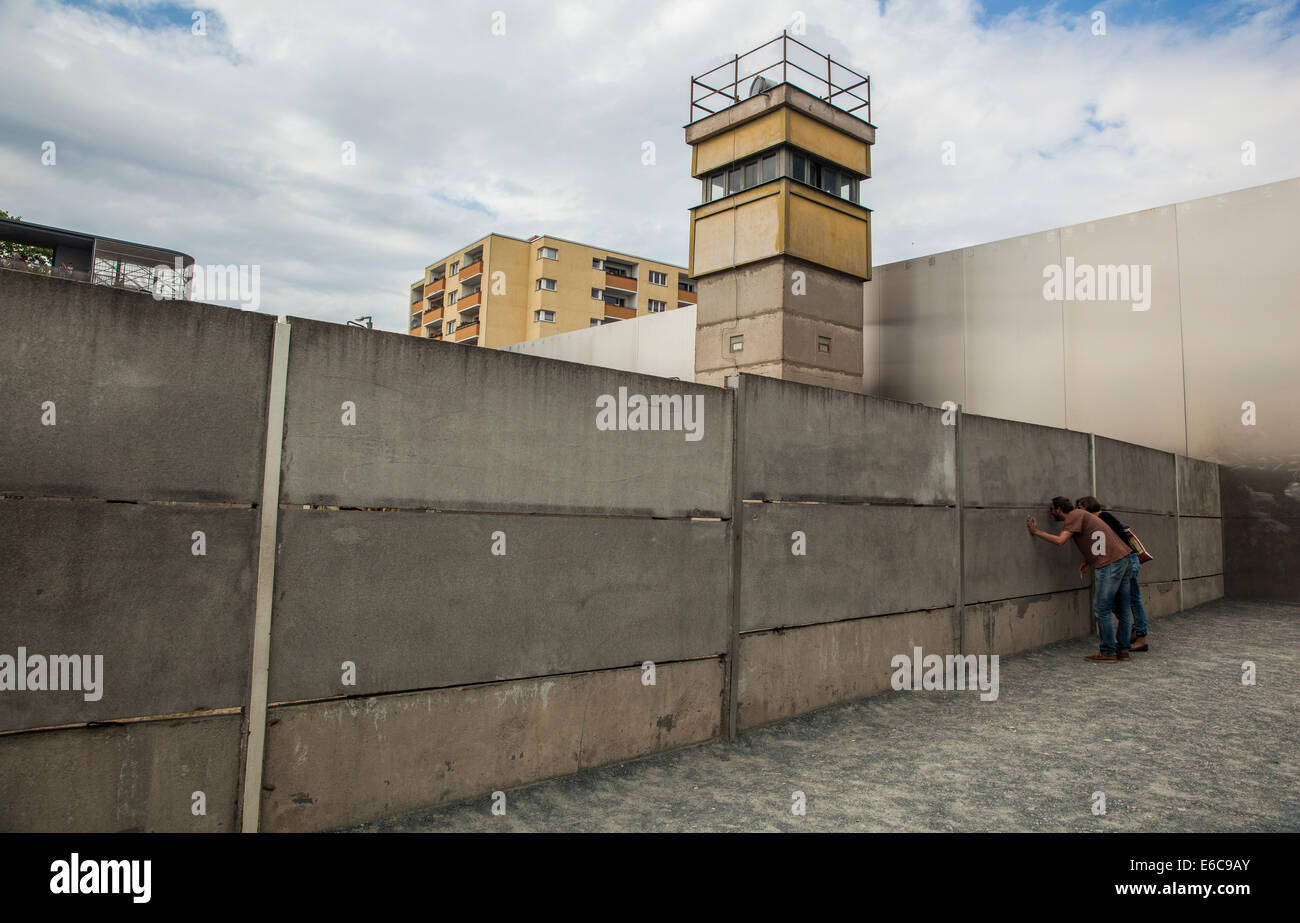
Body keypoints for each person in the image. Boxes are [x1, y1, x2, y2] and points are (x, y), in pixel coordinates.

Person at [1026, 496, 1134, 662]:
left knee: (1101, 608)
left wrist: (1036, 532)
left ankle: (1108, 651)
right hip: (1123, 558)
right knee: (1123, 607)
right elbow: (1098, 539)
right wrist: (1090, 560)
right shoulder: (1082, 515)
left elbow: (1060, 541)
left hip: (1110, 563)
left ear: (1059, 510)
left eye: (1052, 509)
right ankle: (1123, 650)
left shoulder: (1074, 516)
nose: (1050, 512)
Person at [1076, 496, 1149, 652]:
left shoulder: (1102, 518)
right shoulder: (1104, 517)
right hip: (1128, 559)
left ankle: (1141, 637)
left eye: (1079, 507)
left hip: (1126, 559)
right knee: (1127, 601)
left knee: (1132, 600)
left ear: (1086, 507)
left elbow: (1108, 544)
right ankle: (1132, 635)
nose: (1078, 512)